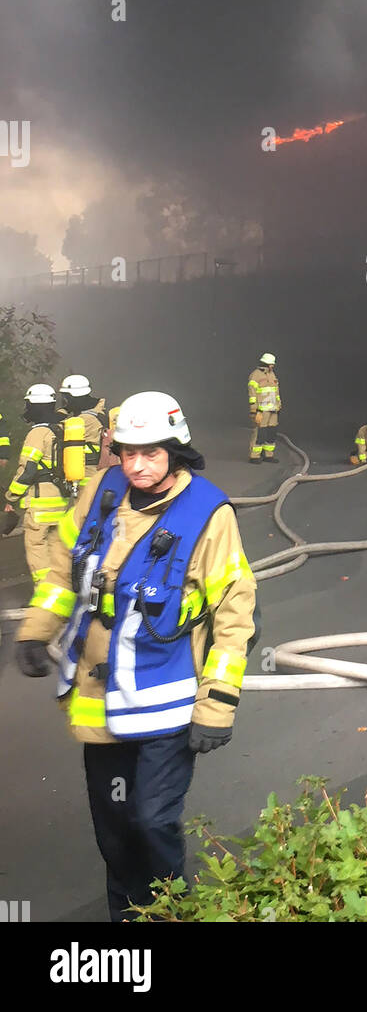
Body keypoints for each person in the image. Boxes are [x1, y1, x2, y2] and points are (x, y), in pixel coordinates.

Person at [14, 391, 258, 923]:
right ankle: (126, 920)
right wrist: (36, 629)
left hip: (168, 699)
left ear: (176, 451)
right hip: (99, 698)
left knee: (151, 819)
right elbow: (61, 568)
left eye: (151, 453)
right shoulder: (102, 493)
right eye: (128, 452)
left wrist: (217, 703)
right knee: (115, 826)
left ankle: (172, 914)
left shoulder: (207, 515)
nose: (138, 465)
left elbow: (234, 618)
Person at [2, 384, 69, 585]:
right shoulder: (60, 429)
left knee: (37, 550)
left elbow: (27, 471)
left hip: (41, 503)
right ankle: (60, 590)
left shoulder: (37, 434)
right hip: (61, 500)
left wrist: (10, 497)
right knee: (56, 551)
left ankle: (44, 594)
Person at [57, 374, 107, 487]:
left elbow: (55, 432)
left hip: (87, 476)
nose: (65, 402)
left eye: (67, 398)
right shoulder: (99, 414)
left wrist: (62, 412)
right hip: (96, 474)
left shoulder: (84, 420)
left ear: (74, 397)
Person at [247, 353, 281, 464]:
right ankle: (254, 456)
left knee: (271, 432)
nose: (273, 366)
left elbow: (276, 391)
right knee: (259, 432)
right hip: (261, 410)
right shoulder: (255, 375)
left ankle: (268, 455)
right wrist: (254, 409)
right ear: (266, 363)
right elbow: (252, 394)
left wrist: (278, 404)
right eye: (271, 364)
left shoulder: (272, 375)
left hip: (273, 410)